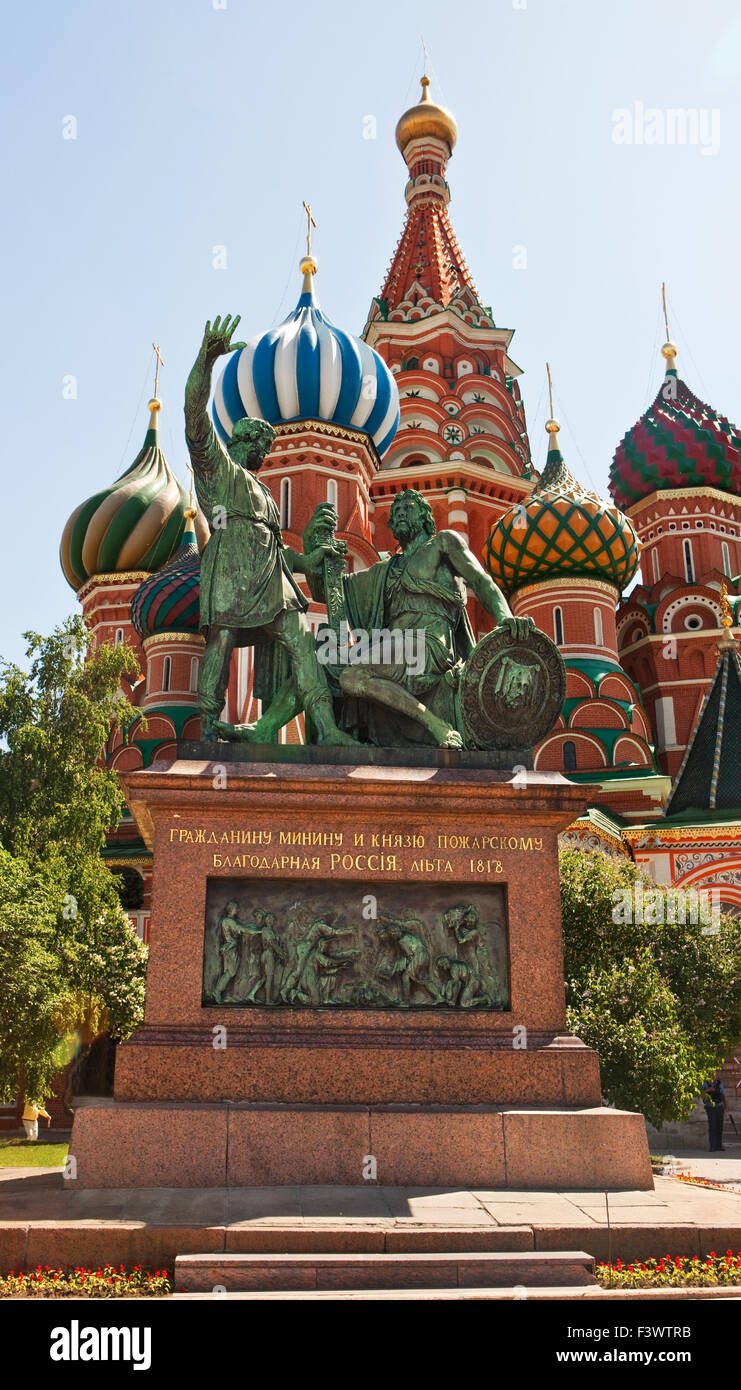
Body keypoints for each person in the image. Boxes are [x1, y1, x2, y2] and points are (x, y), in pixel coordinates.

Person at [183, 314, 354, 746]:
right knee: (222, 639)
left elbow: (280, 550)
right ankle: (206, 724)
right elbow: (193, 414)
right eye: (261, 445)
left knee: (301, 643)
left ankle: (328, 729)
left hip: (271, 579)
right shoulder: (218, 470)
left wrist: (310, 560)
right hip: (230, 571)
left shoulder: (264, 493)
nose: (265, 452)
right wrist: (205, 363)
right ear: (242, 441)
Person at [702, 1071, 728, 1151]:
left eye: (714, 1074)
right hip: (710, 1107)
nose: (713, 1076)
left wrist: (726, 1107)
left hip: (719, 1107)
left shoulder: (719, 1083)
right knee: (712, 1126)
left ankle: (718, 1146)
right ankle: (712, 1146)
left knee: (719, 1127)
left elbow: (723, 1095)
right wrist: (708, 1090)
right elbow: (701, 1093)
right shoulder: (705, 1083)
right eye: (711, 1074)